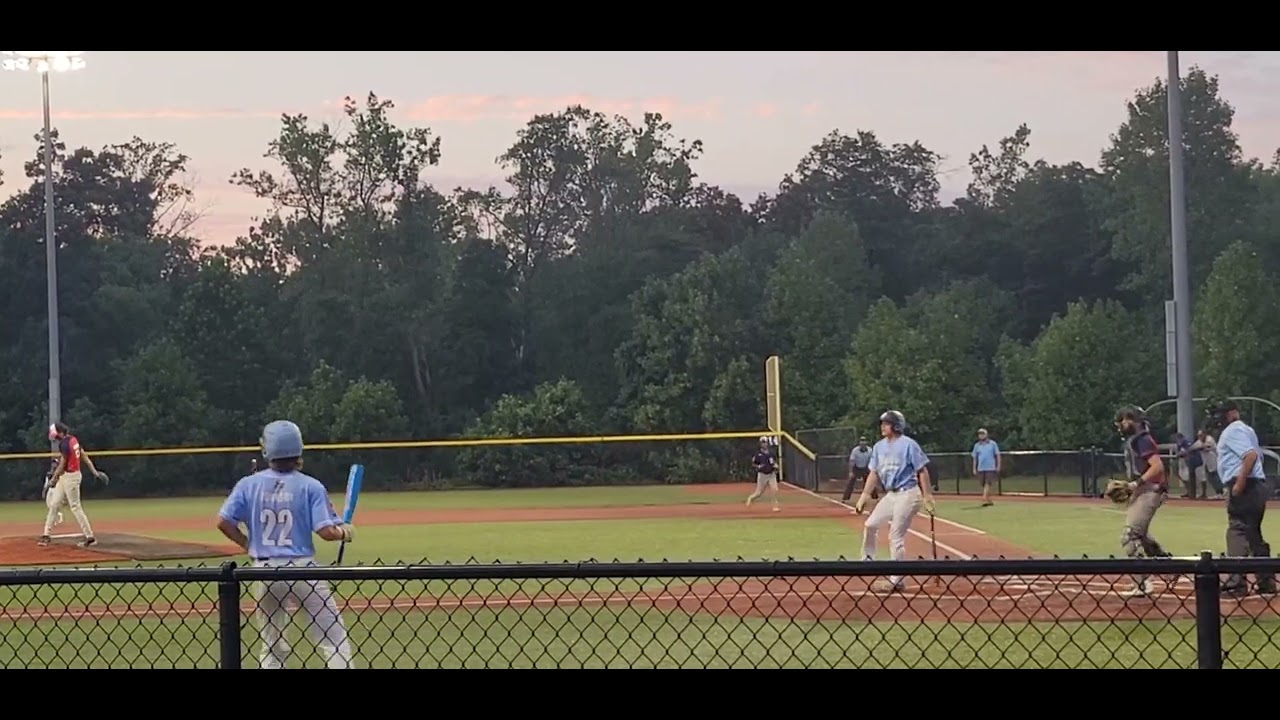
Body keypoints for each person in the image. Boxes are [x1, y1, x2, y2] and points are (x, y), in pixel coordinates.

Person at [217, 419, 358, 669]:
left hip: (264, 570)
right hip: (303, 569)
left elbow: (224, 522)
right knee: (333, 639)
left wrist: (249, 545)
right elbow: (325, 531)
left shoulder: (248, 484)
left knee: (272, 645)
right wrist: (344, 532)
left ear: (266, 451)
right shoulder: (310, 485)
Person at [852, 410, 937, 594]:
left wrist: (927, 495)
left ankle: (896, 579)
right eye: (882, 423)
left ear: (896, 425)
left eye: (887, 423)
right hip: (891, 494)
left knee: (895, 535)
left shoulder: (908, 445)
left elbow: (922, 470)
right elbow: (873, 473)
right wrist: (864, 496)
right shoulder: (879, 447)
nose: (883, 426)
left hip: (908, 493)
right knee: (870, 525)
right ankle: (868, 561)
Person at [1203, 398, 1276, 597]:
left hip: (1245, 485)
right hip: (1256, 485)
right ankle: (1266, 580)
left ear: (1229, 413)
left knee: (1237, 530)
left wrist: (1240, 483)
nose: (1216, 418)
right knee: (1253, 534)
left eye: (1218, 413)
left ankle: (1236, 584)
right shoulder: (1246, 429)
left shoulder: (1233, 430)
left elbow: (1250, 456)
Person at [1113, 406, 1173, 599]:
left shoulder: (1142, 440)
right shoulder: (1136, 440)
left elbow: (1157, 467)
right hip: (1144, 490)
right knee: (1142, 536)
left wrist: (1135, 484)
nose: (1120, 425)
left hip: (1151, 490)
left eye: (1123, 420)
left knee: (1130, 536)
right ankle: (1170, 566)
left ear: (1134, 420)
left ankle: (1142, 582)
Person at [39, 423, 109, 548]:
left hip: (71, 477)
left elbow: (63, 464)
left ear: (60, 432)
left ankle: (90, 537)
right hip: (66, 476)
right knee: (54, 504)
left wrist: (53, 479)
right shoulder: (73, 440)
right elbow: (84, 456)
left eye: (55, 434)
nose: (54, 437)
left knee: (75, 507)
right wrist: (95, 472)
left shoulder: (64, 444)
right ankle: (46, 535)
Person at [746, 436, 780, 512]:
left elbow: (773, 462)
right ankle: (750, 498)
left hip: (771, 474)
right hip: (762, 475)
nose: (764, 444)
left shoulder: (771, 453)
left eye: (765, 442)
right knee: (758, 493)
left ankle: (775, 506)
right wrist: (758, 466)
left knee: (774, 489)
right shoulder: (758, 454)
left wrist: (776, 465)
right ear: (760, 444)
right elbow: (753, 463)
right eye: (763, 442)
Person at [971, 428, 1001, 507]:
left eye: (983, 434)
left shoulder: (992, 444)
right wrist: (974, 468)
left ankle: (984, 498)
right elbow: (975, 458)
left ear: (986, 435)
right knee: (983, 484)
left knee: (988, 483)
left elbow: (997, 455)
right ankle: (988, 500)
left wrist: (998, 465)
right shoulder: (977, 445)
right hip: (981, 468)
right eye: (980, 434)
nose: (981, 435)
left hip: (990, 467)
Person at [1190, 429, 1223, 499]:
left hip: (1215, 460)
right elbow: (1191, 448)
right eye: (1198, 436)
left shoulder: (1209, 439)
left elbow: (1205, 448)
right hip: (1207, 462)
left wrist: (1197, 449)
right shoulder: (1199, 441)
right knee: (1210, 478)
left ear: (1205, 434)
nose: (1199, 437)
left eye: (1201, 435)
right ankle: (1219, 492)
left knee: (1215, 477)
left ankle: (1222, 491)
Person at [841, 437, 873, 503]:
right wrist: (851, 472)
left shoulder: (870, 450)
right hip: (856, 468)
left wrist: (871, 471)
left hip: (865, 467)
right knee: (851, 482)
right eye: (861, 441)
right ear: (859, 443)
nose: (863, 443)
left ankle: (875, 497)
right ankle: (845, 498)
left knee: (871, 481)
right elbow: (852, 461)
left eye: (864, 441)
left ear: (866, 443)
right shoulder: (855, 450)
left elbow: (872, 460)